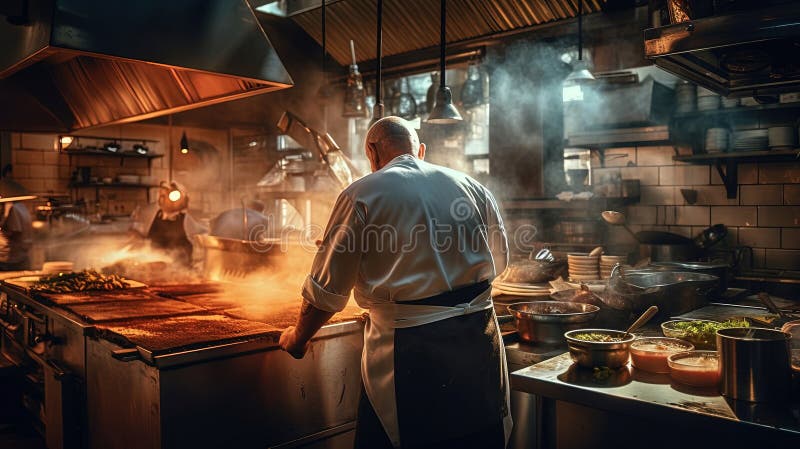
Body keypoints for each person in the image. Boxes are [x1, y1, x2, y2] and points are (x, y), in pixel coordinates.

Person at [279, 116, 511, 449]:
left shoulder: (361, 193)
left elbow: (326, 292)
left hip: (412, 352)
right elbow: (500, 263)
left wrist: (298, 338)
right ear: (420, 150)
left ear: (371, 151)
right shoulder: (472, 187)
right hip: (480, 340)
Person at [129, 180, 207, 267]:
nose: (161, 199)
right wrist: (137, 236)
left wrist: (198, 262)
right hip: (156, 268)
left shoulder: (186, 220)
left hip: (180, 270)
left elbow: (204, 238)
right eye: (161, 195)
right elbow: (142, 237)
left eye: (165, 196)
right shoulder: (154, 215)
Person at [0, 200, 33, 270]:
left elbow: (14, 231)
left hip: (11, 261)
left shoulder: (13, 208)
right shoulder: (21, 206)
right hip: (19, 258)